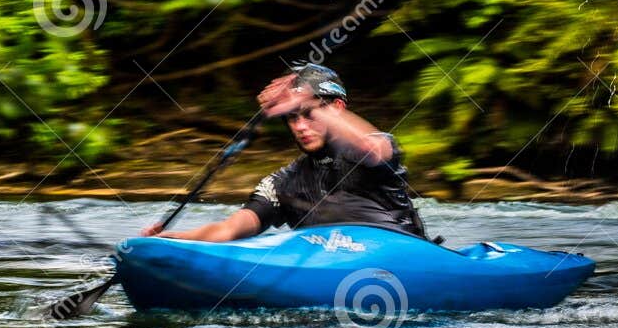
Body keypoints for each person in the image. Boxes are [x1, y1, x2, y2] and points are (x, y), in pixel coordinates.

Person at [140, 64, 425, 241]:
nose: (300, 126)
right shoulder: (284, 182)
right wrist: (172, 241)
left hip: (407, 260)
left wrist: (307, 100)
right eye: (292, 117)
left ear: (336, 108)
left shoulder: (369, 148)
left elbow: (371, 147)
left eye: (308, 114)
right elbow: (228, 231)